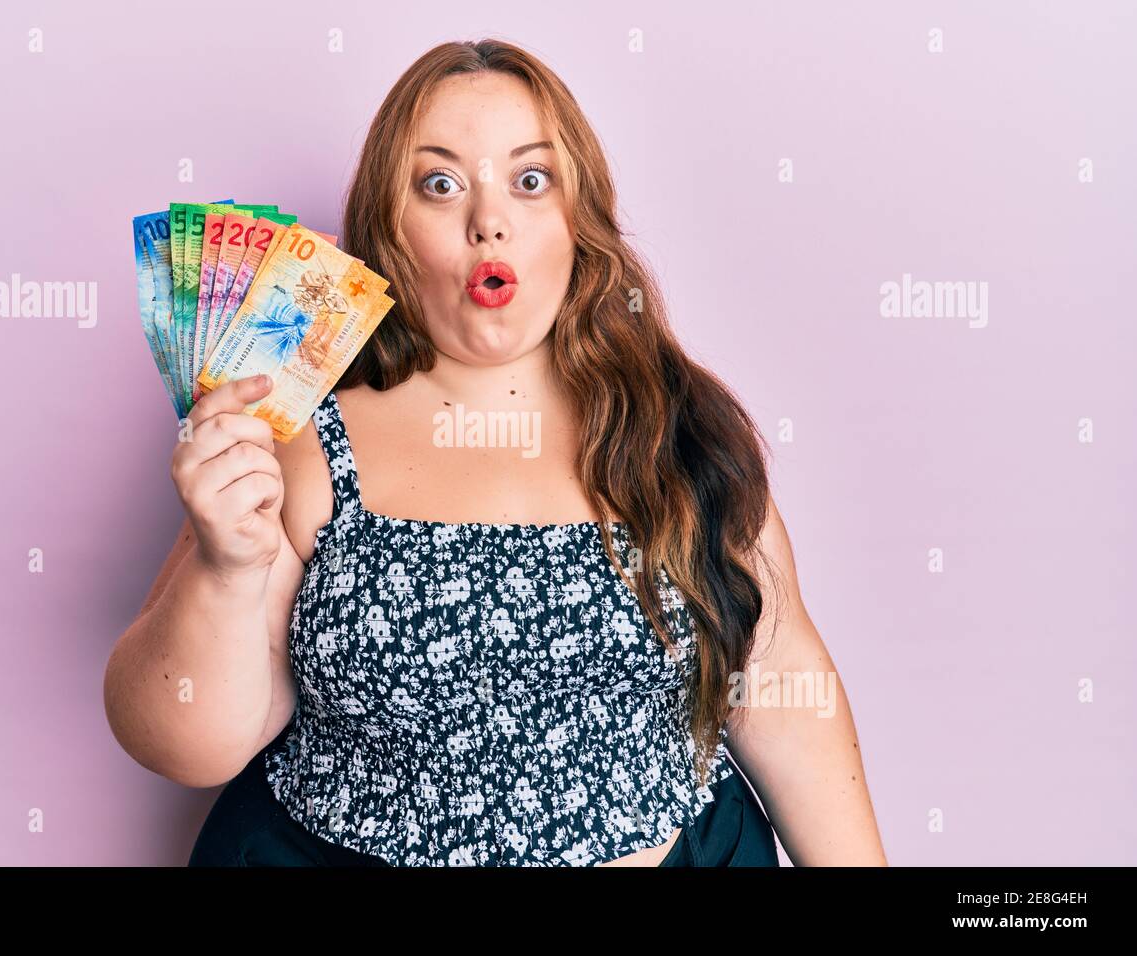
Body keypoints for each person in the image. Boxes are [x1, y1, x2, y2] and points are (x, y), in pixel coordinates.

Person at [103, 38, 888, 867]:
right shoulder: (297, 445)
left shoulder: (680, 433)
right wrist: (226, 570)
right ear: (388, 228)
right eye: (440, 184)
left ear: (577, 219)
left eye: (530, 179)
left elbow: (779, 696)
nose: (490, 219)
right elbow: (181, 742)